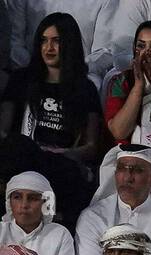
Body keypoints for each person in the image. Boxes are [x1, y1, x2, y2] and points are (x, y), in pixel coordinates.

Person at [0, 16, 102, 196]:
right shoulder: (20, 80)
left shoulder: (85, 88)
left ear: (69, 44)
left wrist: (64, 153)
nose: (49, 48)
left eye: (56, 41)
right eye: (44, 41)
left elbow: (92, 146)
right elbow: (3, 131)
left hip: (61, 163)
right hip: (21, 160)